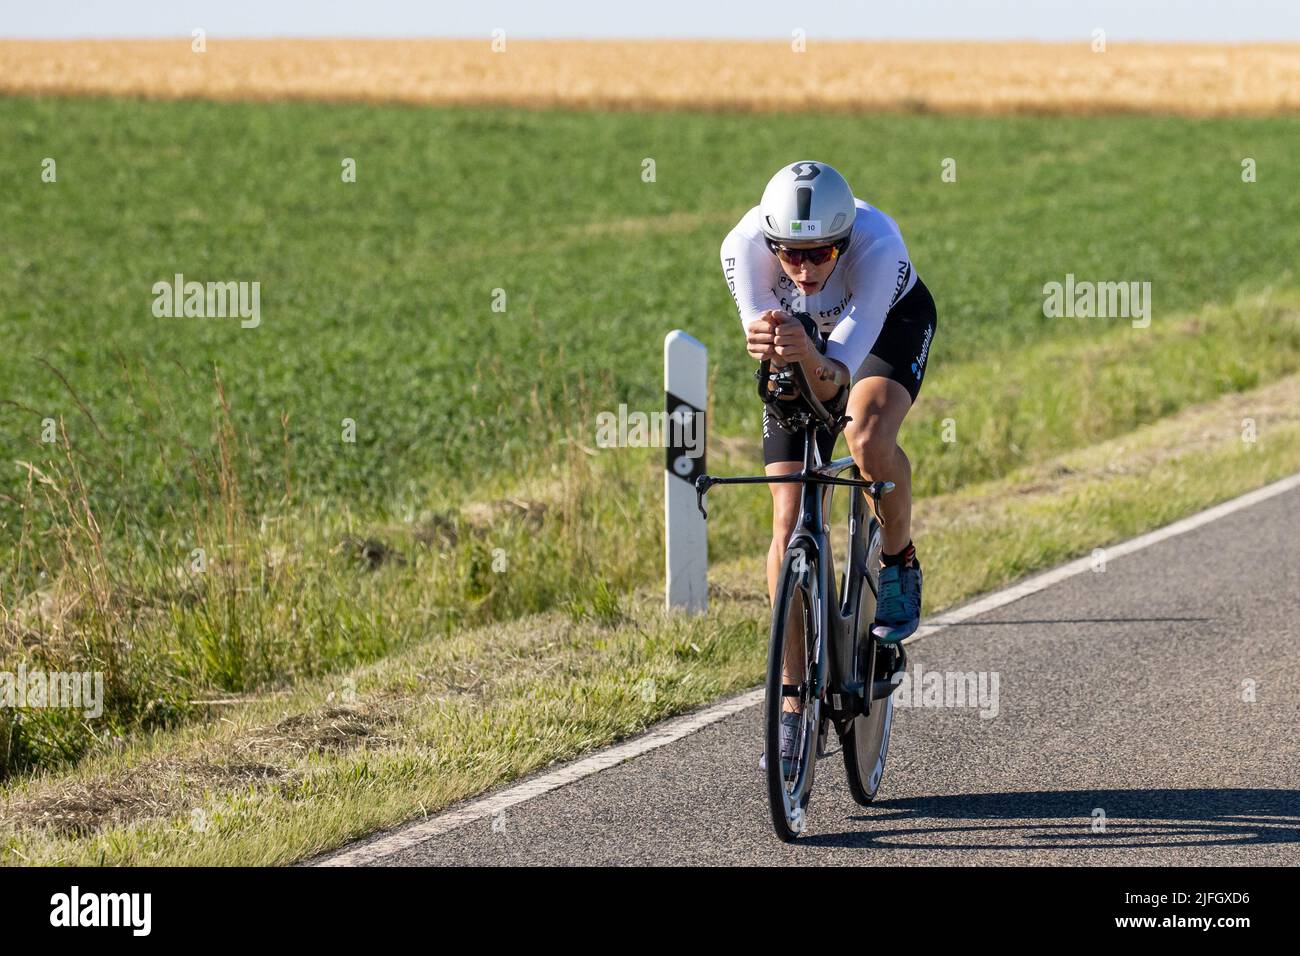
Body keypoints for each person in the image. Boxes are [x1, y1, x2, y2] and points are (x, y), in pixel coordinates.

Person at [721, 161, 936, 773]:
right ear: (770, 242)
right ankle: (791, 701)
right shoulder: (741, 248)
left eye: (821, 254)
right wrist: (782, 348)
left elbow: (838, 375)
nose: (805, 269)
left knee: (865, 437)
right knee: (787, 518)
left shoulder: (878, 247)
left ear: (843, 240)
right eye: (791, 255)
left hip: (883, 330)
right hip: (801, 345)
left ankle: (899, 559)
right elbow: (776, 357)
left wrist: (807, 352)